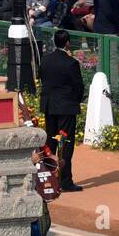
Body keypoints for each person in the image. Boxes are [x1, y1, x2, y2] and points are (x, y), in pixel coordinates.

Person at [39, 30, 85, 192]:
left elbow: (42, 78)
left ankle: (48, 178)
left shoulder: (45, 60)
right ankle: (65, 181)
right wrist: (74, 101)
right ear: (67, 43)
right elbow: (79, 87)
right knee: (64, 143)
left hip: (50, 106)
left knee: (51, 142)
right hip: (65, 107)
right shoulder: (71, 63)